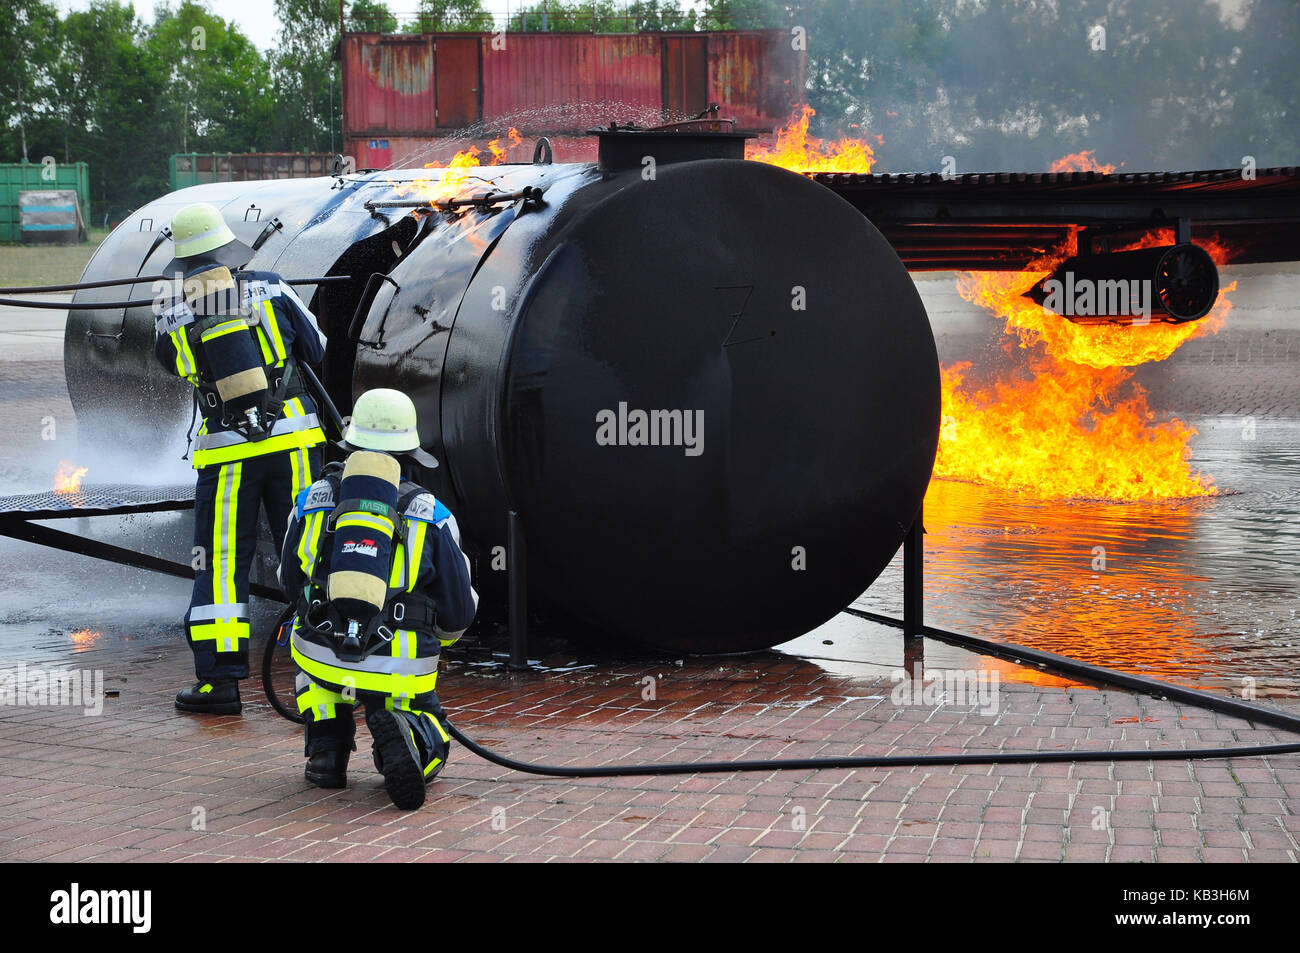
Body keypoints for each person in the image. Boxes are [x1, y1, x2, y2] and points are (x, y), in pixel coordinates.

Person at [154, 202, 327, 715]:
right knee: (309, 551)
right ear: (228, 248)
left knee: (223, 564)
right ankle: (323, 668)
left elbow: (177, 367)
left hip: (228, 455)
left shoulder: (172, 309)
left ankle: (220, 683)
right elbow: (316, 348)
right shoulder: (272, 285)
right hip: (294, 443)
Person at [279, 388, 477, 810]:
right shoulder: (432, 513)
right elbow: (458, 611)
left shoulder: (310, 501)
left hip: (321, 649)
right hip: (399, 662)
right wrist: (431, 642)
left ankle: (326, 754)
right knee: (424, 713)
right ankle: (410, 738)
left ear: (350, 445)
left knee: (310, 665)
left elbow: (290, 584)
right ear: (409, 453)